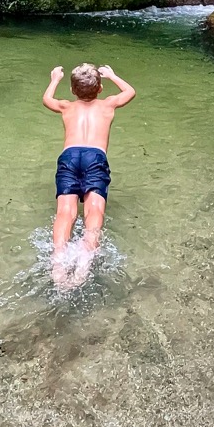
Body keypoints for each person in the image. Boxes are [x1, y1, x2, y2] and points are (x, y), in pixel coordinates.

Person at [42, 61, 135, 290]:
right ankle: (84, 263)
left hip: (69, 156)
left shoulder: (66, 106)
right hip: (95, 158)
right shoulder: (108, 105)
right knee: (94, 210)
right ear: (100, 89)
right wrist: (112, 75)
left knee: (65, 212)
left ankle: (58, 266)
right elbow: (130, 92)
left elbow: (47, 100)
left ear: (73, 90)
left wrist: (54, 79)